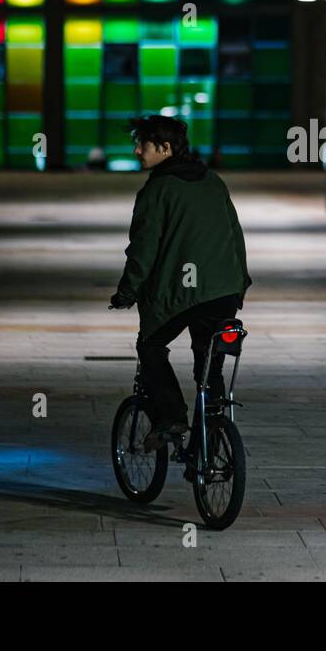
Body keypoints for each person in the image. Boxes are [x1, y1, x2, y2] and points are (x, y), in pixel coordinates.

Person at [109, 115, 252, 458]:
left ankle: (172, 417)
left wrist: (126, 293)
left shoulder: (156, 190)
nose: (136, 150)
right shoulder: (214, 181)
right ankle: (211, 437)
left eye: (142, 144)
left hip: (180, 295)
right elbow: (235, 235)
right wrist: (239, 283)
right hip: (223, 292)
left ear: (165, 148)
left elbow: (143, 250)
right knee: (210, 365)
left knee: (151, 346)